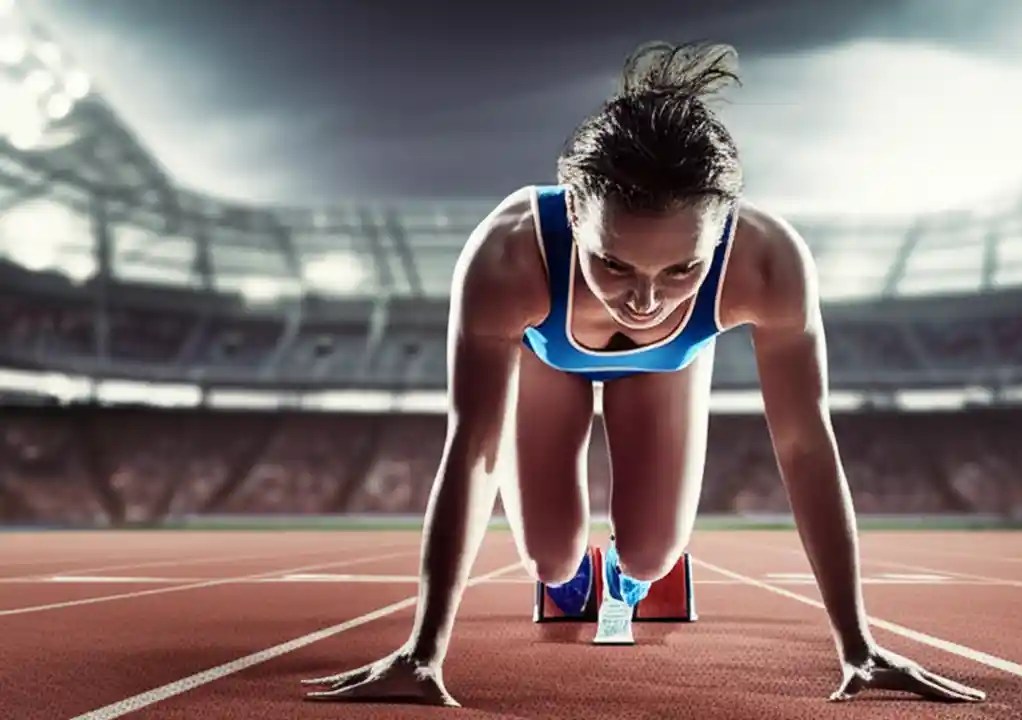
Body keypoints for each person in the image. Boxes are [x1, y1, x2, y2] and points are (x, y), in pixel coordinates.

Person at [302, 40, 986, 706]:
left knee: (653, 555)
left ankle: (630, 584)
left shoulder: (768, 264)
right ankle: (569, 586)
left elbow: (806, 446)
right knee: (549, 558)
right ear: (574, 214)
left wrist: (857, 644)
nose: (645, 300)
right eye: (614, 263)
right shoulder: (509, 258)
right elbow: (473, 450)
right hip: (547, 354)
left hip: (672, 362)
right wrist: (424, 650)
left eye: (683, 270)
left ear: (720, 236)